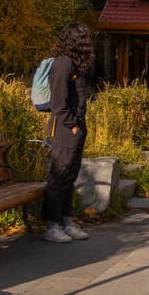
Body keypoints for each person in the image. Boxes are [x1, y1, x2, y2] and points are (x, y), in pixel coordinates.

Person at [41, 23, 93, 243]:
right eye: (85, 38)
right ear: (77, 41)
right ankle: (51, 225)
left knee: (70, 175)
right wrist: (72, 125)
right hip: (64, 129)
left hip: (76, 127)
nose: (89, 43)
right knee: (59, 174)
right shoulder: (63, 64)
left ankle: (66, 220)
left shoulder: (75, 66)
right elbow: (58, 102)